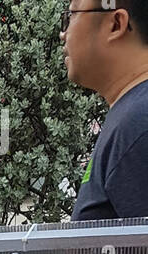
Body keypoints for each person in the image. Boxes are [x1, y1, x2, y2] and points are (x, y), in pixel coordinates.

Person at [65, 0, 148, 219]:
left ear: (116, 24)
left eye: (71, 15)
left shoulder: (140, 124)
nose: (63, 34)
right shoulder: (131, 115)